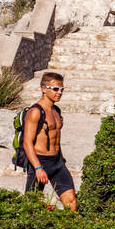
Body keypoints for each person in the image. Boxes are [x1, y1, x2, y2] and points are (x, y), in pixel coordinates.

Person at [22, 72, 77, 212]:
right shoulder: (35, 112)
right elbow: (27, 143)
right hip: (40, 162)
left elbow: (56, 137)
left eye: (61, 89)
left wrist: (61, 158)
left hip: (57, 162)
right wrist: (38, 168)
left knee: (71, 201)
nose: (59, 93)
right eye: (55, 89)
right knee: (31, 206)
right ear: (43, 89)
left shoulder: (56, 110)